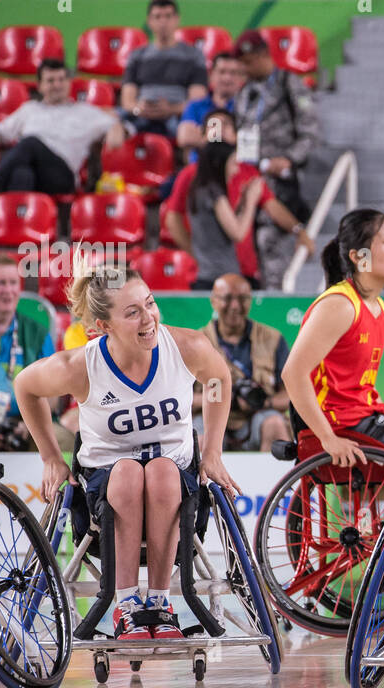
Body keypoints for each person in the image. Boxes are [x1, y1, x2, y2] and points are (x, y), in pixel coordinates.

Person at [13, 261, 238, 640]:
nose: (148, 318)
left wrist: (212, 450)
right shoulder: (81, 366)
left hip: (176, 485)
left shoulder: (186, 347)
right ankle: (128, 603)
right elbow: (25, 387)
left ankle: (161, 602)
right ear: (103, 327)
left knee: (163, 470)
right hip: (105, 490)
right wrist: (51, 457)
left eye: (149, 304)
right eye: (132, 312)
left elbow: (218, 378)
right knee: (130, 471)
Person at [281, 209, 384, 464]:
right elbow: (293, 373)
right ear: (358, 256)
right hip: (340, 424)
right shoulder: (341, 305)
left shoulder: (381, 310)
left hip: (368, 418)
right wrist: (327, 438)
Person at [166, 110, 311, 289]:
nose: (219, 131)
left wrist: (298, 229)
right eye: (213, 126)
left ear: (236, 135)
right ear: (203, 137)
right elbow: (173, 218)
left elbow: (271, 206)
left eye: (225, 125)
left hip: (243, 271)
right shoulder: (192, 177)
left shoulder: (246, 172)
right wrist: (196, 254)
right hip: (211, 274)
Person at [0, 59, 126, 203]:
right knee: (21, 174)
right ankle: (21, 233)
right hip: (34, 173)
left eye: (62, 79)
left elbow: (118, 125)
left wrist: (117, 128)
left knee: (31, 142)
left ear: (69, 82)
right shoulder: (29, 109)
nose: (57, 85)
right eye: (51, 81)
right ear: (39, 86)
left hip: (63, 175)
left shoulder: (85, 111)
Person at [233, 29, 321, 289]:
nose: (245, 70)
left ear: (262, 55)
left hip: (281, 182)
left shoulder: (288, 83)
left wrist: (289, 160)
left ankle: (276, 298)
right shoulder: (244, 92)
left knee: (269, 241)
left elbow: (311, 131)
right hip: (248, 177)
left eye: (248, 63)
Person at [197, 272, 292, 452]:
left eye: (242, 299)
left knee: (275, 425)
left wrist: (263, 402)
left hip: (258, 415)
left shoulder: (273, 338)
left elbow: (291, 394)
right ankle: (201, 480)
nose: (235, 306)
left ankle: (275, 481)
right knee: (199, 439)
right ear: (213, 301)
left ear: (250, 300)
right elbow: (177, 396)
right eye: (227, 298)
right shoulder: (197, 341)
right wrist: (221, 400)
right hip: (208, 415)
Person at [0, 253, 56, 452]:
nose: (9, 290)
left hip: (26, 422)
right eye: (1, 283)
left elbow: (54, 393)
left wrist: (30, 425)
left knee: (60, 439)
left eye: (13, 283)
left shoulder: (36, 332)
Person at [119, 0, 208, 140]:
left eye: (168, 16)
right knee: (113, 127)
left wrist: (171, 109)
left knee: (193, 131)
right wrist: (139, 109)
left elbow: (197, 101)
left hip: (177, 118)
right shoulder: (137, 56)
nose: (163, 22)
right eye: (157, 17)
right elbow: (127, 101)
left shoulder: (194, 56)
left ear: (177, 19)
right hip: (142, 115)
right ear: (149, 21)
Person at [185, 140, 267, 289]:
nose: (236, 171)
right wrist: (251, 201)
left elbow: (222, 226)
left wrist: (242, 204)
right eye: (233, 164)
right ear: (220, 164)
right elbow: (238, 233)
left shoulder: (199, 190)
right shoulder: (213, 193)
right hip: (218, 277)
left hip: (207, 275)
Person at [176, 52, 247, 163]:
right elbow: (184, 138)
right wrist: (229, 136)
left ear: (241, 78)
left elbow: (249, 143)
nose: (227, 78)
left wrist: (204, 134)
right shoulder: (195, 106)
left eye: (233, 73)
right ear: (211, 75)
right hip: (199, 168)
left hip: (234, 168)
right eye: (221, 72)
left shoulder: (248, 107)